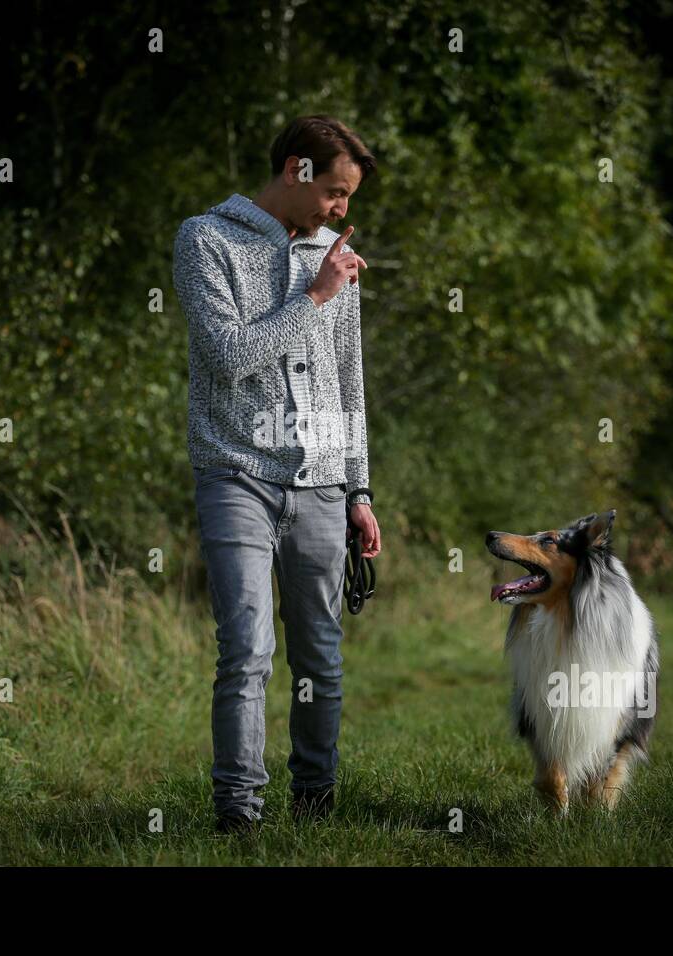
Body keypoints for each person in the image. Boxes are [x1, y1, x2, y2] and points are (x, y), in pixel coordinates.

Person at [172, 115, 382, 832]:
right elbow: (229, 358)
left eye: (347, 198)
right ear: (296, 170)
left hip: (324, 479)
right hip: (237, 475)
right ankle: (238, 816)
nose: (340, 210)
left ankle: (315, 805)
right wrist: (315, 296)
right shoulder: (206, 239)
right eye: (333, 191)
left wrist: (359, 488)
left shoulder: (336, 252)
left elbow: (349, 379)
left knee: (320, 657)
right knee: (248, 650)